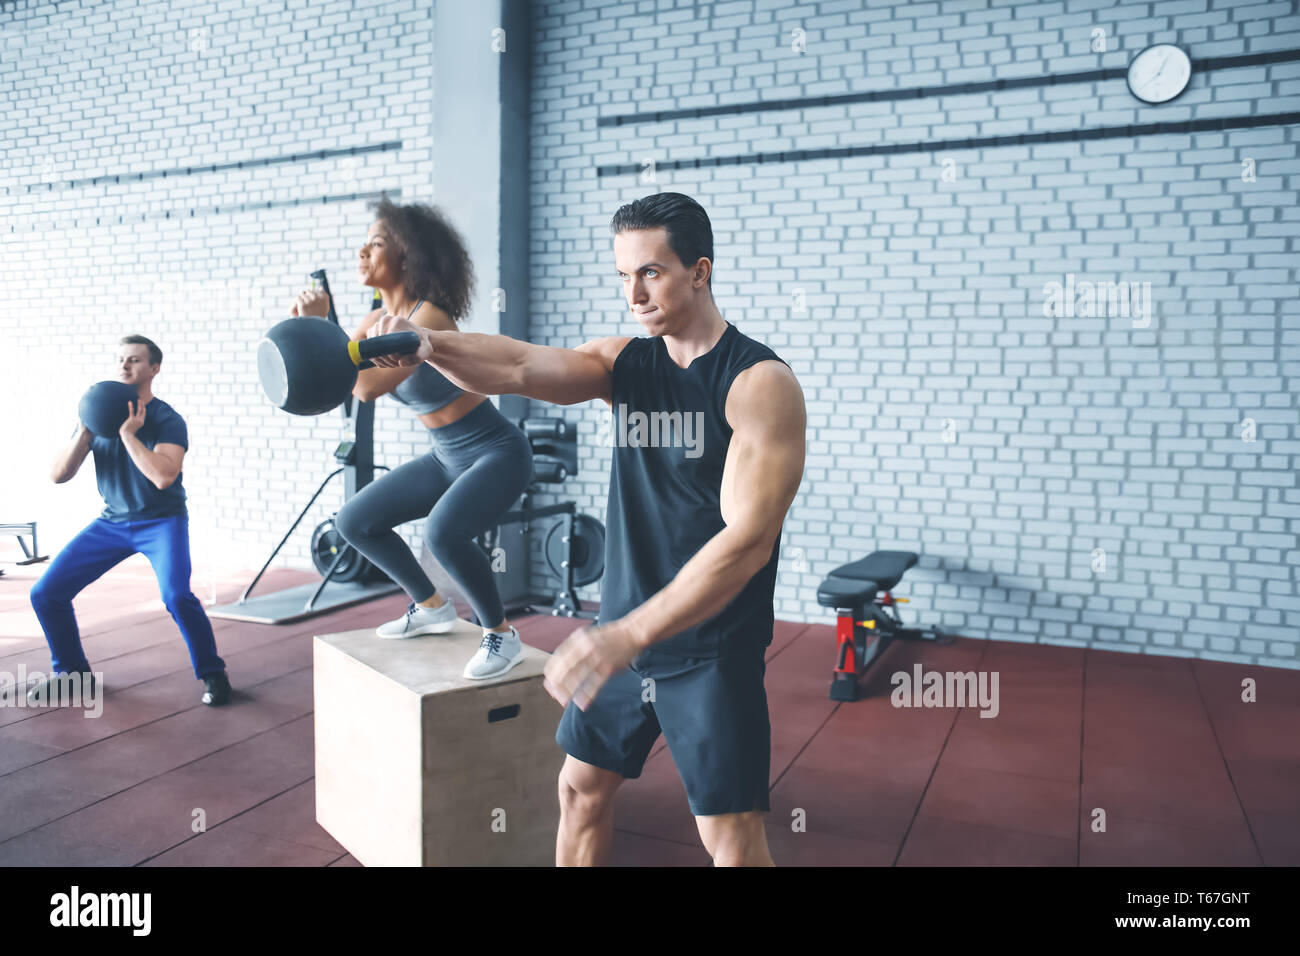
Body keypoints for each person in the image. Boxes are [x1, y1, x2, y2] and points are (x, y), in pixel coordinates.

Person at [368, 191, 807, 866]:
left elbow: (747, 542)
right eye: (623, 276)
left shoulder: (757, 382)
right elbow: (517, 365)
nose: (634, 293)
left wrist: (626, 634)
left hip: (708, 651)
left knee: (730, 836)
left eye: (651, 273)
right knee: (579, 792)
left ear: (700, 270)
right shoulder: (624, 363)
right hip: (622, 639)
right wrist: (428, 345)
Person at [289, 198, 534, 680]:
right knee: (355, 521)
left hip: (495, 452)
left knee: (444, 533)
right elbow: (330, 373)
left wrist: (322, 325)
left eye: (375, 243)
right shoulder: (373, 317)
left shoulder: (428, 318)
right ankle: (431, 606)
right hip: (446, 456)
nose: (362, 252)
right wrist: (305, 326)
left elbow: (364, 386)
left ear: (408, 255)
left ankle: (503, 636)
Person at [30, 335, 231, 706]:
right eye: (121, 359)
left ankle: (213, 674)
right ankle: (73, 676)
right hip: (112, 523)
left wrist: (127, 435)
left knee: (176, 596)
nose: (124, 366)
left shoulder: (167, 419)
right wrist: (86, 432)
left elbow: (163, 476)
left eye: (135, 360)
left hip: (161, 522)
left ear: (154, 369)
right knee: (45, 594)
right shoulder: (96, 415)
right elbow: (59, 475)